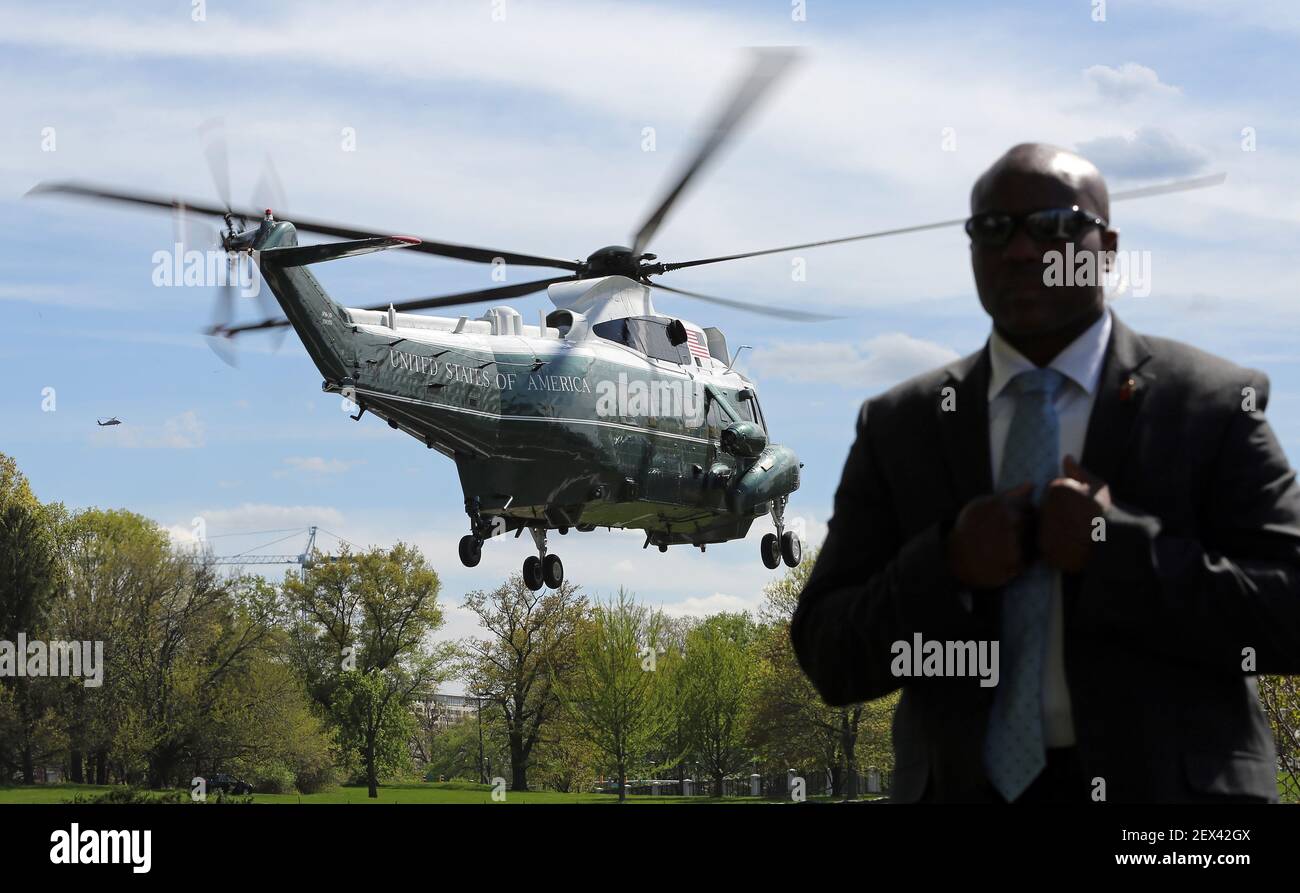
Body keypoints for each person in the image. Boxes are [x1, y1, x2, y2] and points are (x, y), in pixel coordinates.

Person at [790, 143, 1300, 803]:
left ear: (1107, 246)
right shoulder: (901, 425)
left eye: (1055, 225)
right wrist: (942, 566)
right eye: (994, 228)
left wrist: (1117, 552)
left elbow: (1290, 614)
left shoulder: (1209, 402)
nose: (1023, 250)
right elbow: (831, 655)